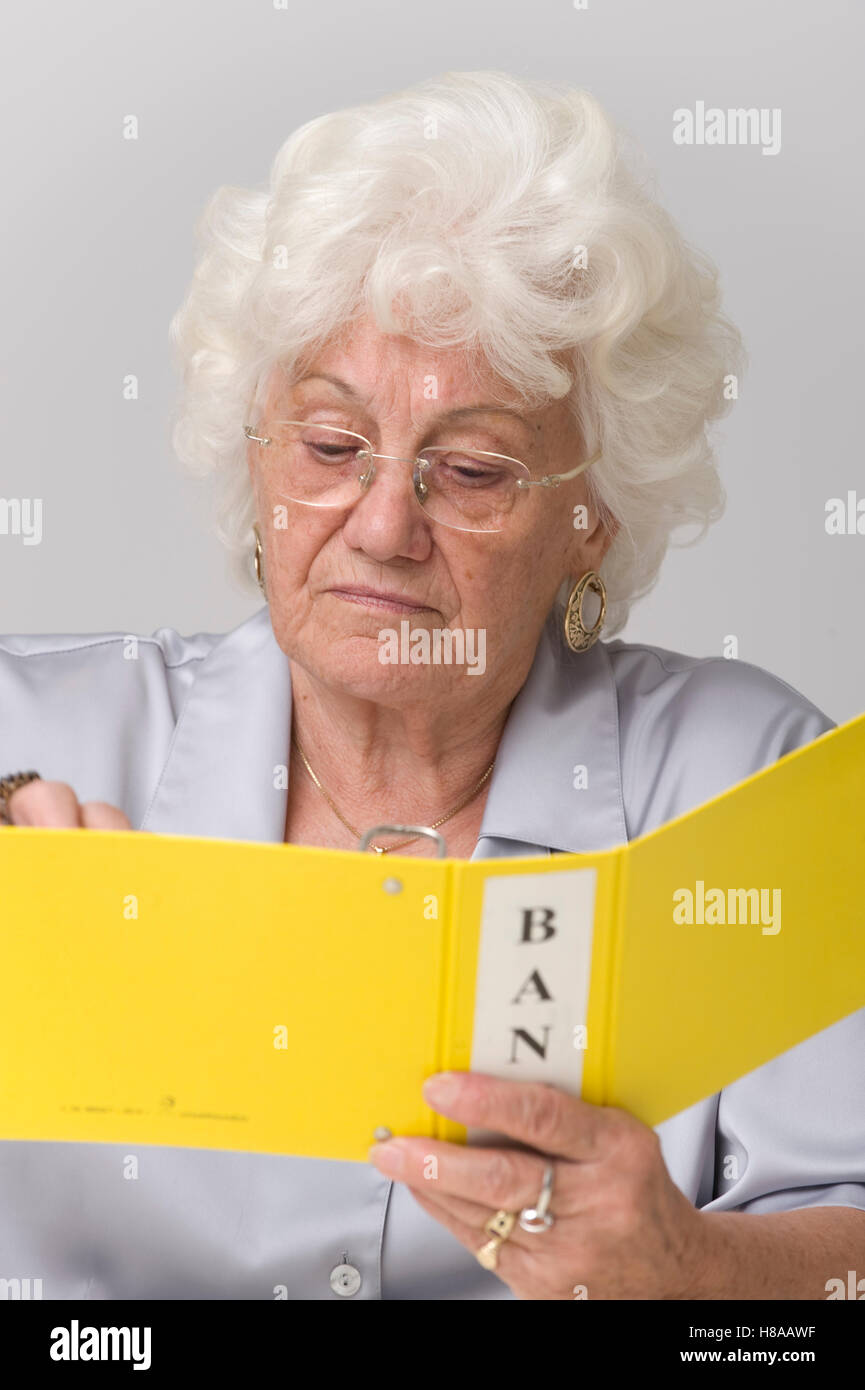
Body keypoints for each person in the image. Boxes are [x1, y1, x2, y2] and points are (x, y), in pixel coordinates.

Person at [1, 70, 862, 1300]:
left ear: (591, 523)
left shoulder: (751, 783)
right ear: (254, 459)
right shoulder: (31, 732)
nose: (383, 526)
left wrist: (692, 1270)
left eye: (471, 469)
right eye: (332, 446)